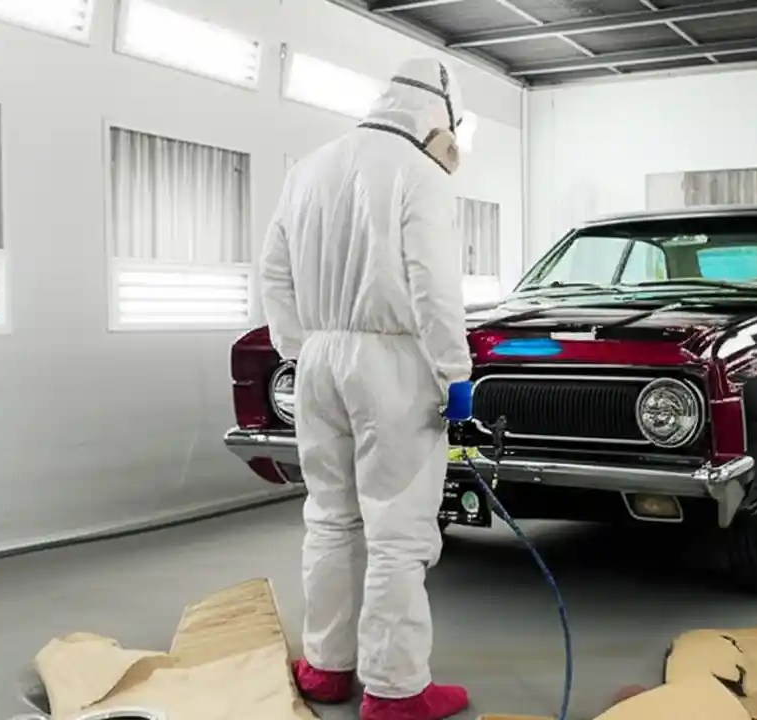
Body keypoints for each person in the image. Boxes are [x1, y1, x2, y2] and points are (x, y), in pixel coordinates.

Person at [260, 57, 473, 720]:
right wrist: (455, 373)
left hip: (318, 359)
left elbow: (273, 273)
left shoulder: (308, 168)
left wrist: (301, 350)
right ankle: (395, 689)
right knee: (398, 529)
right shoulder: (421, 174)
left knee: (329, 517)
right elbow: (434, 287)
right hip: (393, 364)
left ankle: (326, 667)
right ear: (439, 114)